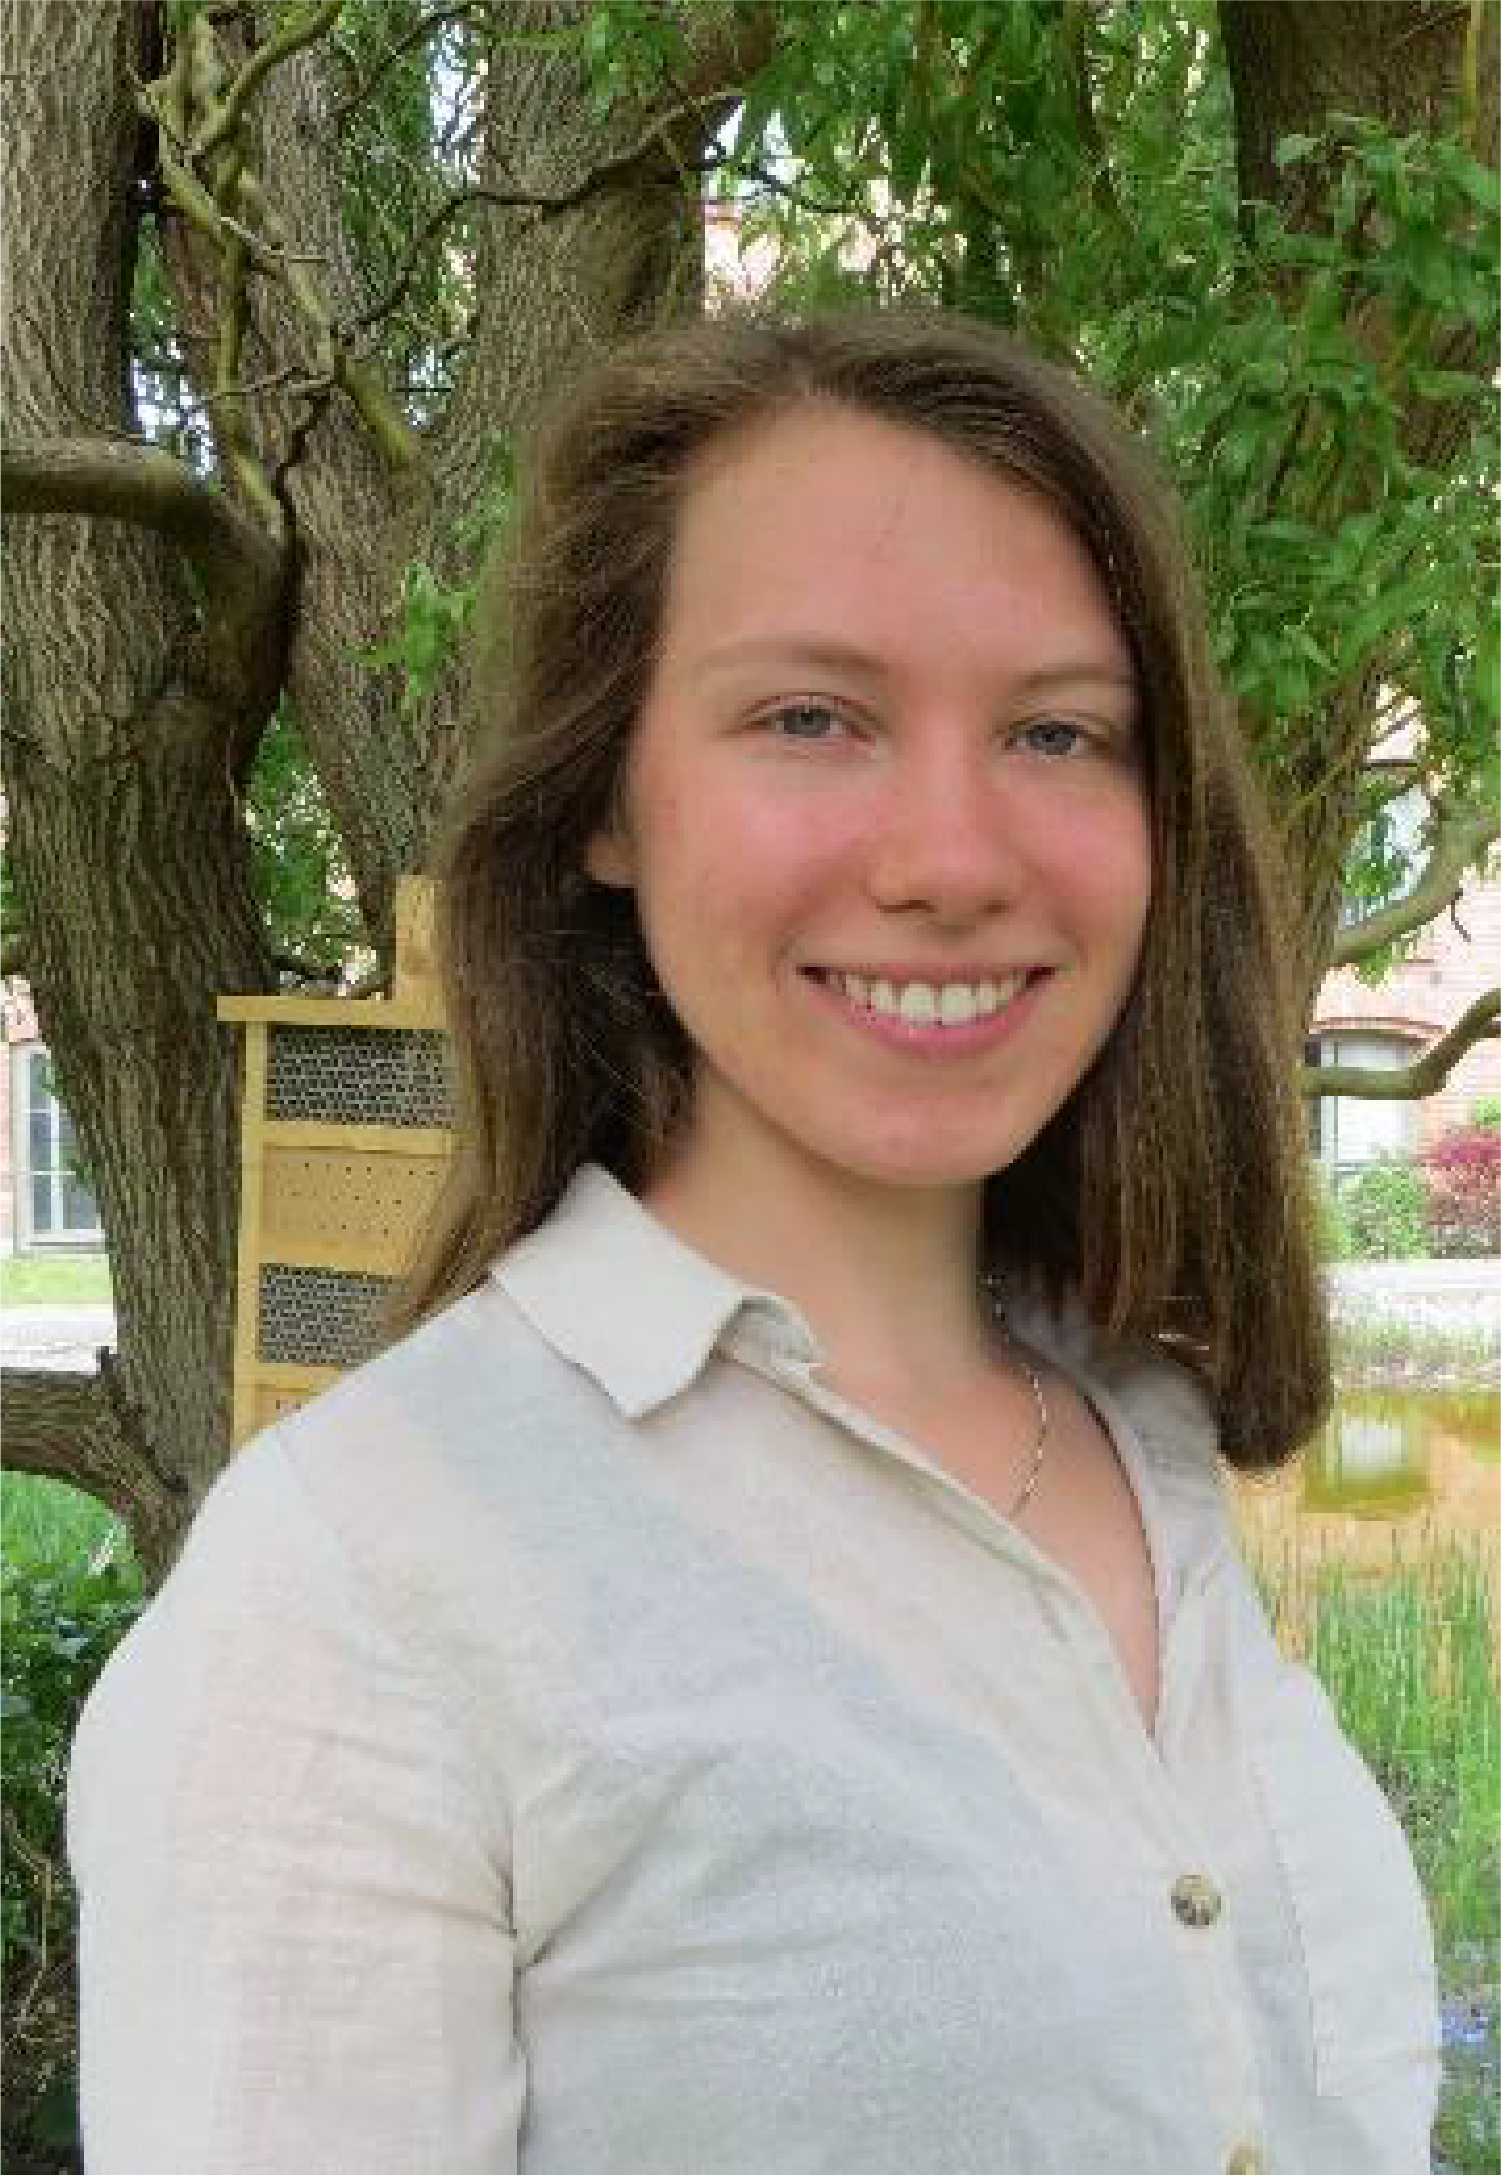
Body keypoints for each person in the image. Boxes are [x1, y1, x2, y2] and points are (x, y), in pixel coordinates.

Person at [68, 304, 1441, 2175]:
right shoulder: (360, 1587)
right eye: (811, 718)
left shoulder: (1143, 1425)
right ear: (605, 800)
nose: (953, 860)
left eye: (1058, 730)